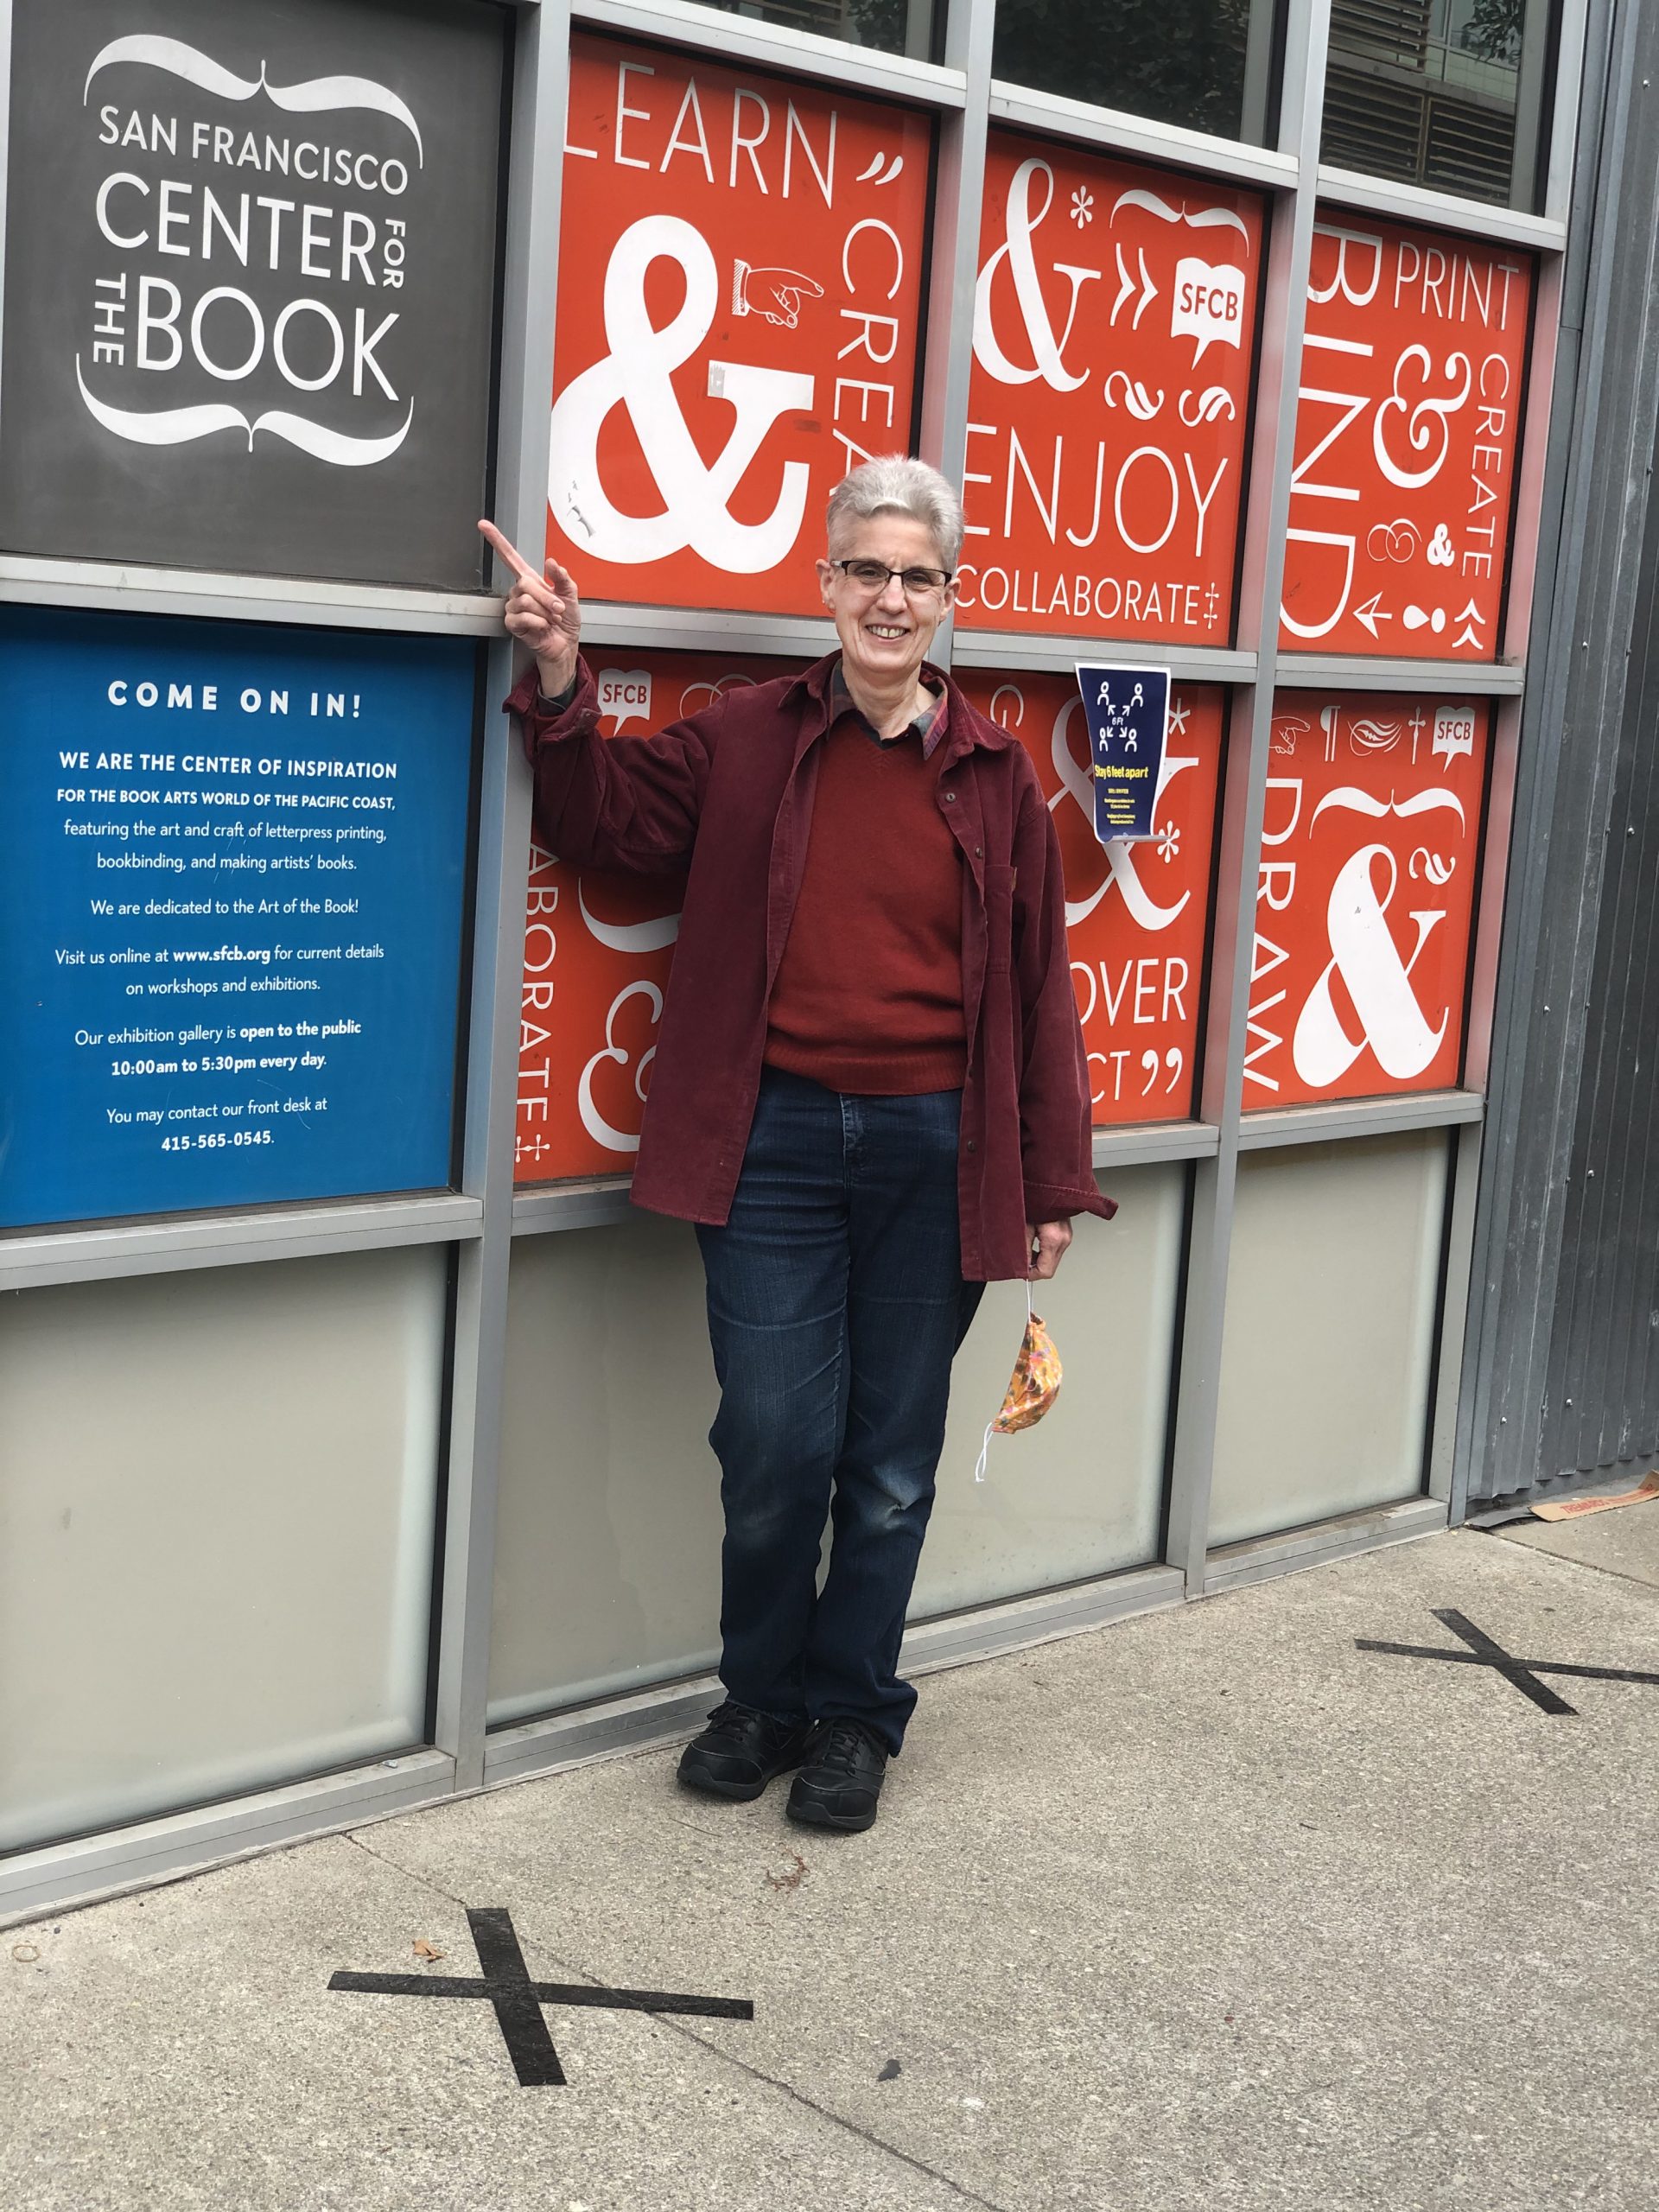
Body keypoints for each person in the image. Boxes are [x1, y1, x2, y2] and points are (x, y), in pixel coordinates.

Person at [499, 455, 1114, 1834]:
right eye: (867, 571)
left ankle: (852, 1715)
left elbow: (1039, 984)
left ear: (947, 599)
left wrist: (1051, 1180)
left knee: (889, 1465)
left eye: (918, 577)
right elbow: (599, 821)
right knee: (773, 1443)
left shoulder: (995, 772)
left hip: (937, 1150)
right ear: (826, 584)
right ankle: (761, 1700)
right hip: (769, 1140)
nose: (891, 598)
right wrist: (560, 674)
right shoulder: (746, 738)